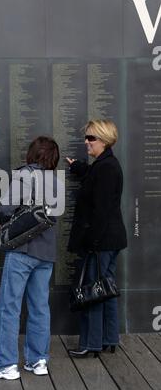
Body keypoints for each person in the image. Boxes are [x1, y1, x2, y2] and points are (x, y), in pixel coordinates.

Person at [0, 136, 64, 380]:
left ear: (32, 154)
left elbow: (6, 207)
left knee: (9, 307)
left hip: (22, 250)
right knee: (39, 307)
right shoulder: (56, 181)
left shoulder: (24, 175)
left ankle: (6, 364)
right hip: (46, 253)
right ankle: (38, 361)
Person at [66, 120, 127, 358]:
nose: (86, 142)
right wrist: (80, 168)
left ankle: (90, 344)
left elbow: (101, 210)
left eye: (91, 138)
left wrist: (92, 244)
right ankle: (109, 338)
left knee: (92, 291)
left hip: (101, 242)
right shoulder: (104, 165)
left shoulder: (106, 168)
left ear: (103, 140)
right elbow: (94, 179)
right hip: (109, 240)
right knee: (105, 289)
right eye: (87, 138)